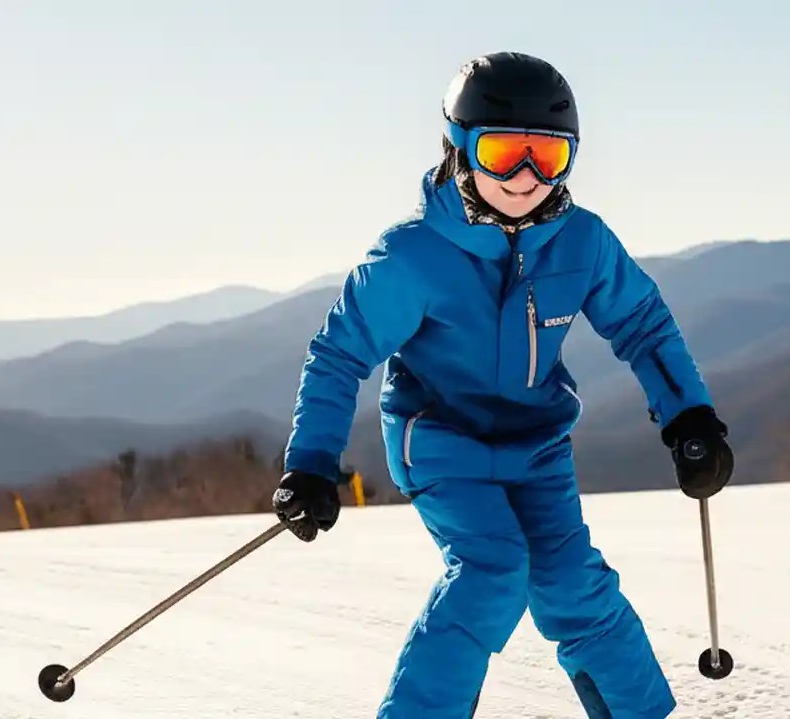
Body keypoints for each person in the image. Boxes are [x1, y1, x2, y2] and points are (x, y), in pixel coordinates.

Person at [270, 51, 734, 719]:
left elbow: (641, 322)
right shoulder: (412, 257)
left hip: (537, 445)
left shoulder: (582, 243)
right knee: (492, 575)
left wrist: (690, 417)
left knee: (571, 583)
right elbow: (341, 354)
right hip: (441, 443)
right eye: (501, 152)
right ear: (459, 148)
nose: (523, 176)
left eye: (546, 157)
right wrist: (310, 464)